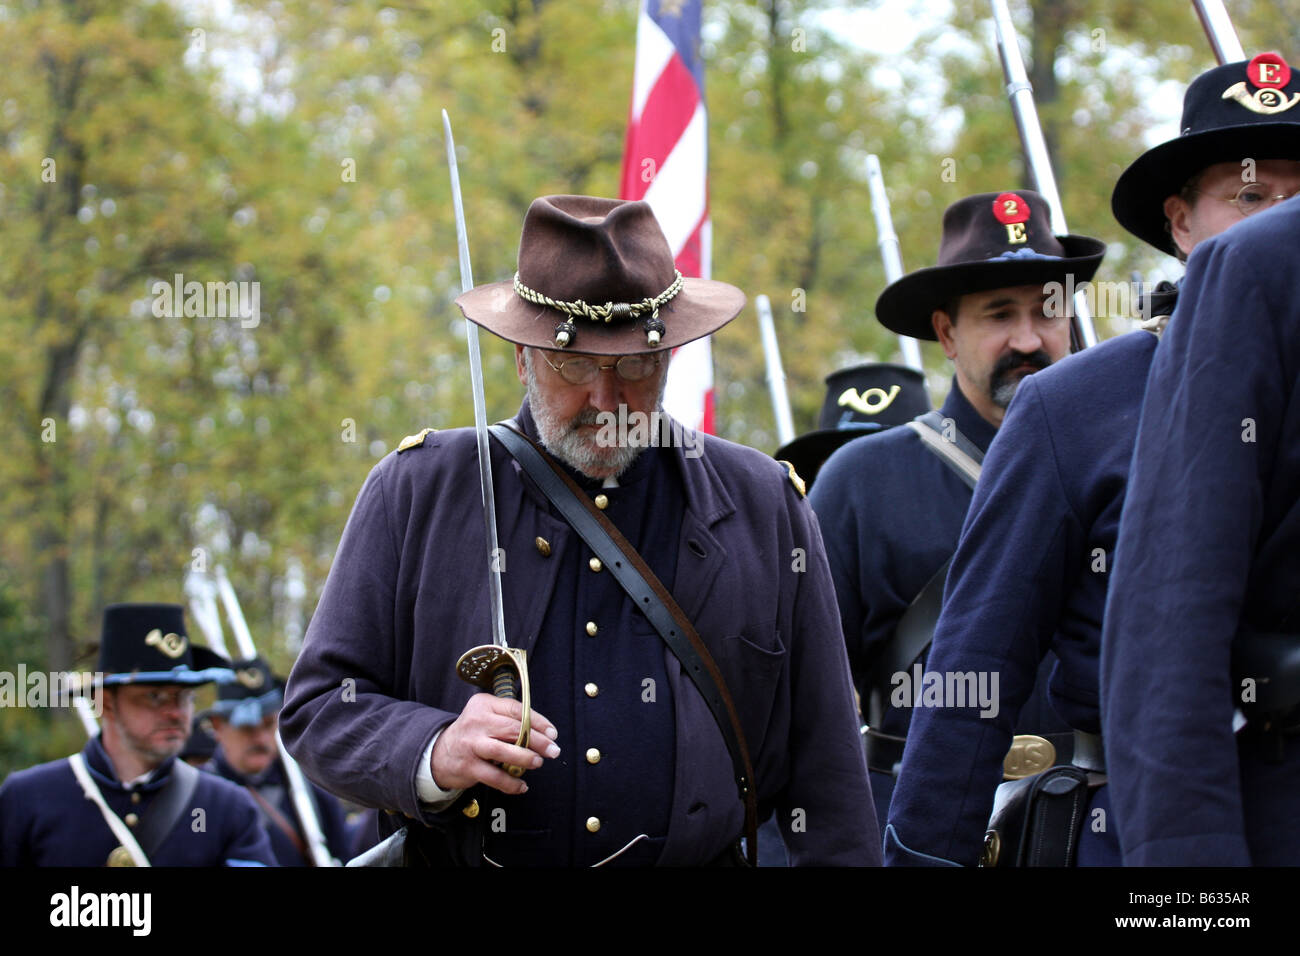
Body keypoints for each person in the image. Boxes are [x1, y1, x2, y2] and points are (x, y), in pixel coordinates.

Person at [280, 194, 877, 866]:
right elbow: (322, 708)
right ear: (521, 358)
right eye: (574, 364)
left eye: (634, 365)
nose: (606, 398)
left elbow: (828, 772)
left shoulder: (764, 504)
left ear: (670, 358)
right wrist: (434, 748)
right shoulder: (417, 489)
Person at [884, 53, 1300, 866]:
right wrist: (928, 856)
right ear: (1181, 222)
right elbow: (977, 670)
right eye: (1250, 196)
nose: (1282, 224)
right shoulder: (1075, 406)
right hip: (1151, 836)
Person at [810, 190, 1104, 831]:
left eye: (1046, 313)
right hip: (920, 823)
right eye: (1000, 314)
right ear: (946, 331)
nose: (1029, 339)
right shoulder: (861, 481)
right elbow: (805, 706)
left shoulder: (1123, 459)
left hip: (1096, 820)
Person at [0, 603, 275, 866]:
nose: (176, 713)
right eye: (155, 697)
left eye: (184, 698)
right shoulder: (27, 798)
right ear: (106, 702)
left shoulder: (227, 808)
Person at [204, 656, 350, 866]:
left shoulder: (313, 791)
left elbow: (345, 855)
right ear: (218, 726)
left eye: (267, 725)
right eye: (247, 728)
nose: (262, 739)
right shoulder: (202, 795)